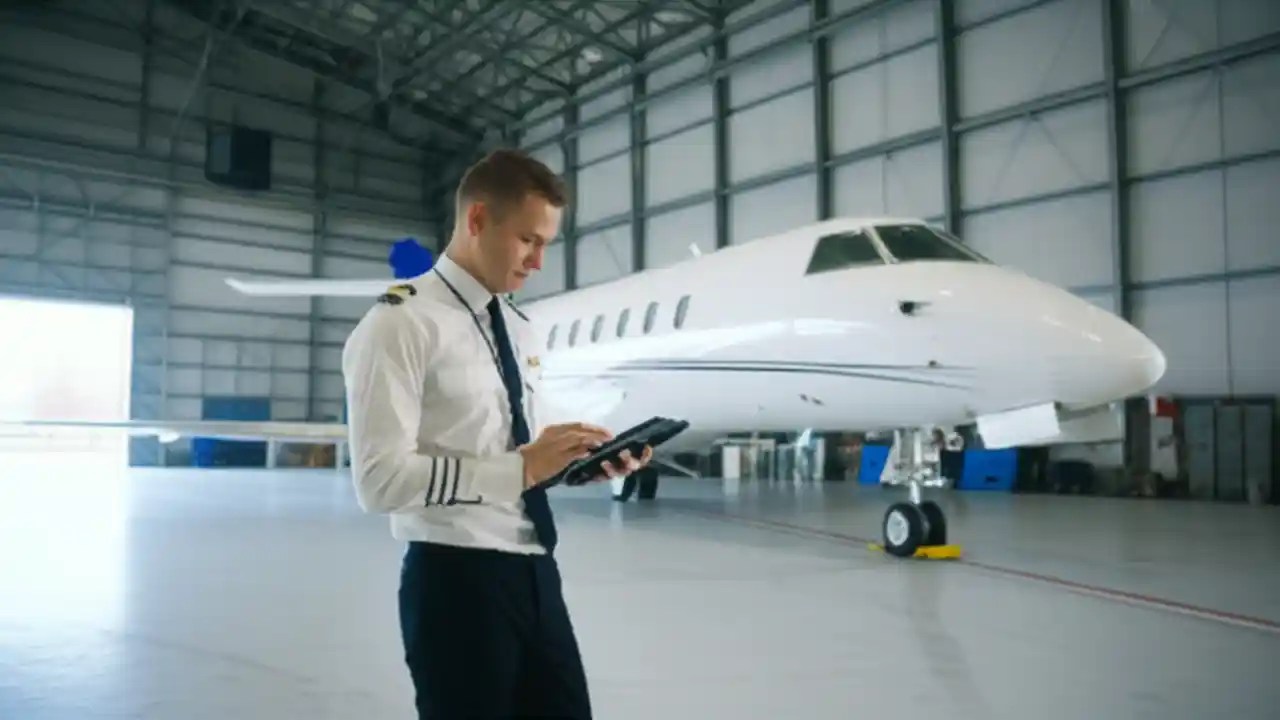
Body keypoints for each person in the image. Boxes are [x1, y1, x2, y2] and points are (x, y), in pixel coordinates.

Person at [341, 148, 653, 719]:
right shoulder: (399, 323)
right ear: (478, 220)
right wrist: (522, 469)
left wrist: (578, 463)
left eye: (546, 245)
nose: (538, 262)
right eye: (528, 240)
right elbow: (379, 482)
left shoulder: (519, 328)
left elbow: (513, 451)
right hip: (454, 581)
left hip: (536, 573)